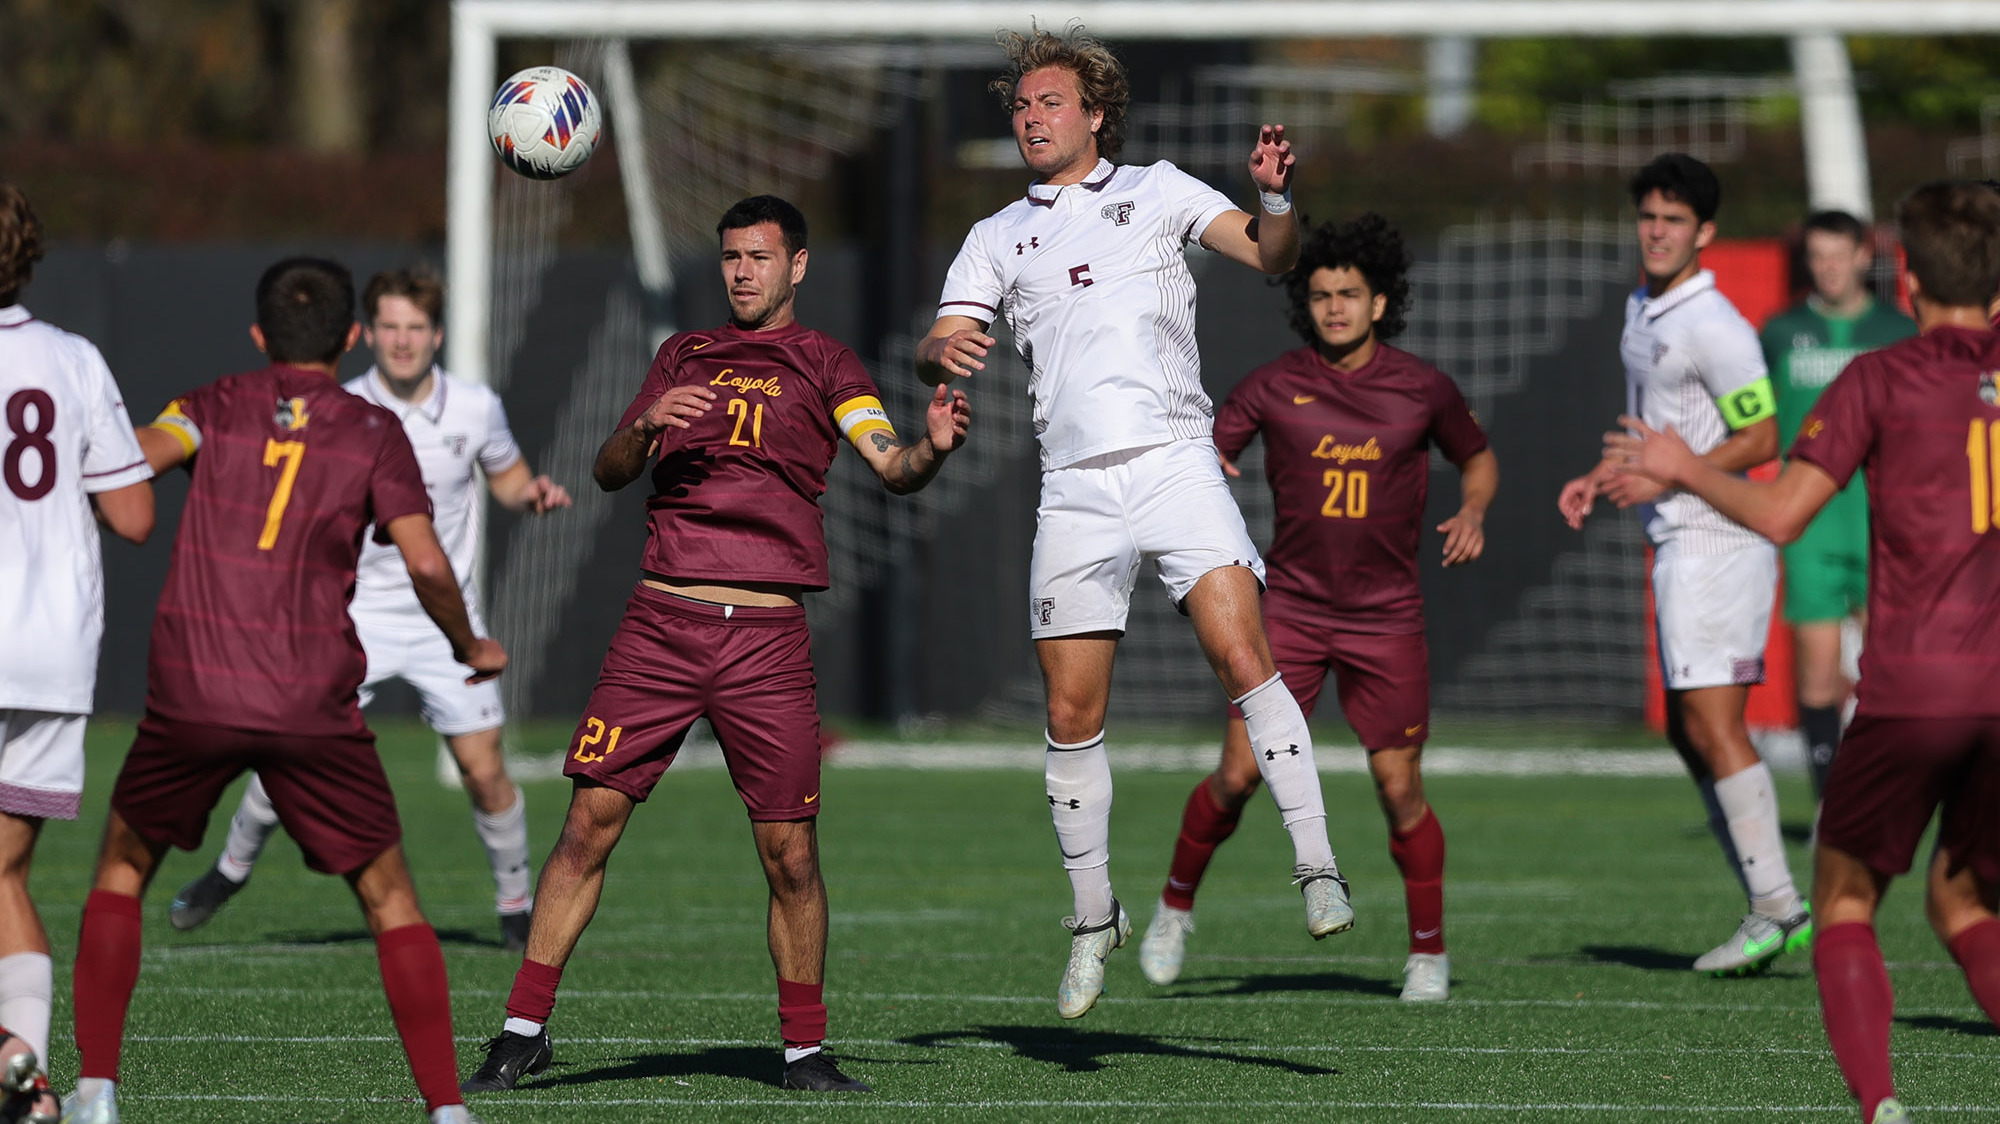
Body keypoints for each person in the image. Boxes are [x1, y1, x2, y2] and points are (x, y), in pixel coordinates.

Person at [460, 195, 969, 1096]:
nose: (741, 271)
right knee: (587, 826)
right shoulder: (683, 355)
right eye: (731, 256)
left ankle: (805, 1051)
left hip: (766, 639)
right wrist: (649, 425)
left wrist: (929, 451)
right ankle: (522, 1029)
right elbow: (610, 471)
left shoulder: (825, 363)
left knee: (792, 855)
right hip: (660, 626)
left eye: (759, 257)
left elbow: (890, 465)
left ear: (797, 266)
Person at [915, 22, 1351, 1022]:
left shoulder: (1156, 189)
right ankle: (1088, 919)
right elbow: (939, 338)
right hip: (1072, 486)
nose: (1031, 118)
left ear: (1095, 111)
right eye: (1020, 107)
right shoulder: (994, 234)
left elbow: (1270, 253)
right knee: (1070, 713)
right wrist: (942, 357)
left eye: (1049, 102)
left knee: (1243, 655)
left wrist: (1276, 198)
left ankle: (1317, 864)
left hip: (1172, 463)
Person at [63, 257, 504, 1124]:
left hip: (194, 688)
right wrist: (469, 644)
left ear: (259, 335)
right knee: (391, 900)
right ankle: (448, 1111)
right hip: (309, 699)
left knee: (120, 871)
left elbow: (126, 466)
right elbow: (423, 560)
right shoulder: (376, 431)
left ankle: (96, 1095)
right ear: (351, 339)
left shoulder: (207, 406)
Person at [1607, 178, 2000, 1124]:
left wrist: (1681, 465)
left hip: (1912, 689)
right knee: (1964, 905)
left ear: (1903, 276)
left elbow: (1782, 514)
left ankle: (1879, 1106)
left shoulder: (1879, 375)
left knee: (1846, 904)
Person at [1136, 214, 1496, 1003]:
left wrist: (1472, 510)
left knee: (1400, 789)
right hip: (1290, 611)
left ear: (1380, 303)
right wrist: (1209, 473)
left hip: (1387, 616)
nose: (1335, 306)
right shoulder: (1272, 383)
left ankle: (1428, 952)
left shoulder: (1423, 388)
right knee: (1236, 776)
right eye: (1322, 294)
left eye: (1350, 294)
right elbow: (1211, 447)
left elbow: (1477, 456)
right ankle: (1173, 909)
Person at [170, 266, 572, 950]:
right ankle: (229, 870)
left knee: (484, 769)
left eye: (415, 327)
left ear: (437, 334)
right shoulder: (339, 405)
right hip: (350, 615)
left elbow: (504, 477)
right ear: (366, 333)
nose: (402, 341)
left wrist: (529, 493)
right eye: (389, 326)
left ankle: (514, 908)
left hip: (446, 617)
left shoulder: (475, 407)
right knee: (291, 755)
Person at [1557, 152, 1810, 976]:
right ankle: (1769, 899)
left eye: (1674, 220)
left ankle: (1777, 905)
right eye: (1649, 217)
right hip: (1673, 537)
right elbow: (1654, 428)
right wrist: (1608, 475)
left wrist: (1673, 469)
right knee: (1689, 731)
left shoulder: (1717, 325)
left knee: (1712, 725)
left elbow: (1764, 435)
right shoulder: (1644, 304)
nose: (1657, 232)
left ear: (1705, 232)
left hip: (1718, 541)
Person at [0, 182, 152, 1124]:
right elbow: (132, 515)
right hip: (53, 655)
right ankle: (31, 1086)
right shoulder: (73, 358)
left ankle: (8, 1049)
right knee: (6, 875)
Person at [1760, 212, 1915, 796]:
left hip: (1885, 522)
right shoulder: (1779, 331)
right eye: (1817, 255)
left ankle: (1894, 796)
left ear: (1862, 257)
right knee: (1818, 672)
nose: (1827, 267)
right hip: (1810, 525)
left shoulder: (1900, 331)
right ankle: (1832, 807)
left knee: (1892, 676)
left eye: (1838, 254)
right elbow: (1755, 423)